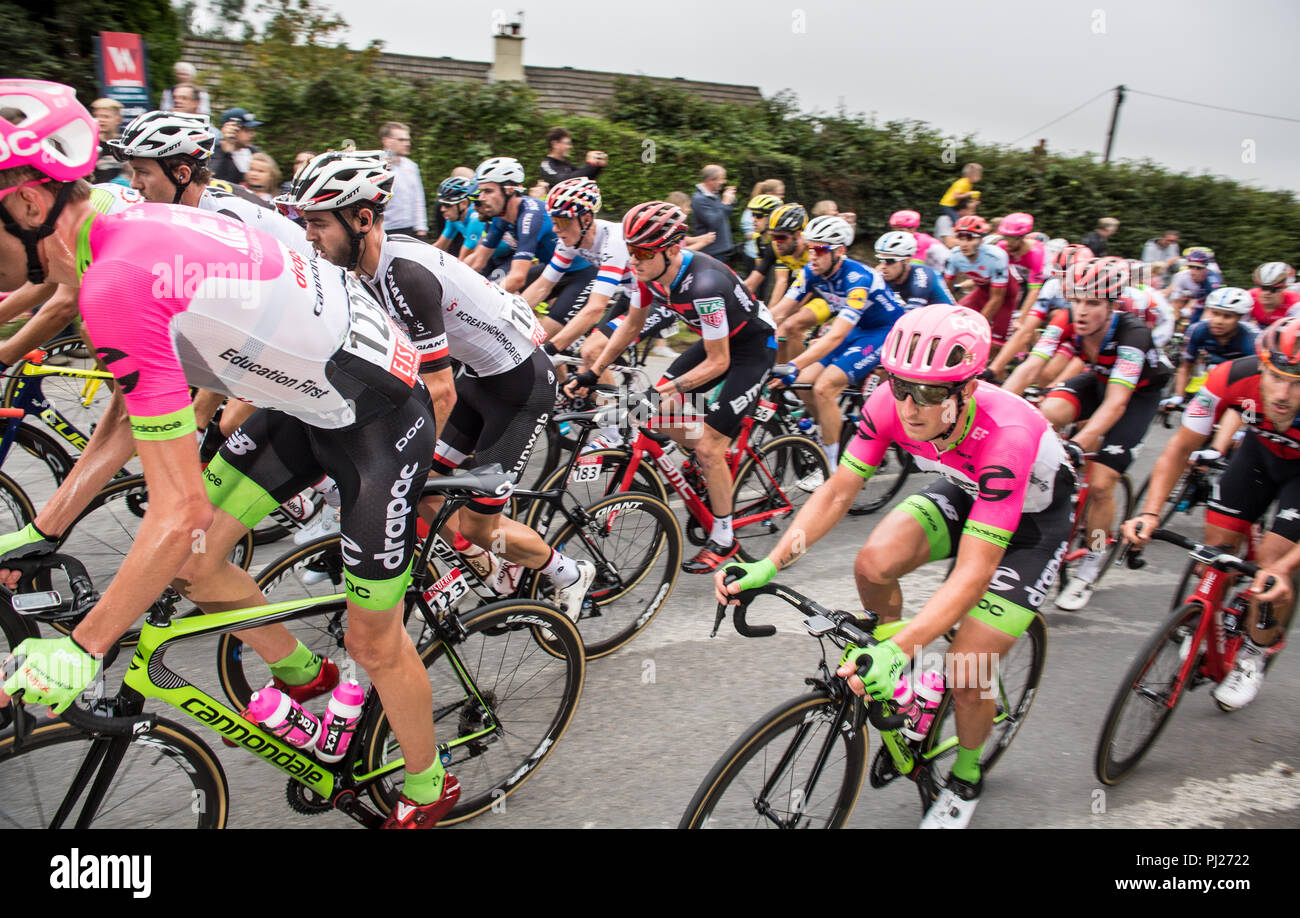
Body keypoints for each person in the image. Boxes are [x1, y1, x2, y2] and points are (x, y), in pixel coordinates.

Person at [0, 80, 454, 828]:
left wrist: (85, 648)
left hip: (381, 417)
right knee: (193, 564)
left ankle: (430, 782)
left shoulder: (116, 276)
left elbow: (175, 510)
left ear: (24, 205)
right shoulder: (105, 223)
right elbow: (127, 416)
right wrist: (47, 528)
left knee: (374, 639)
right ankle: (306, 682)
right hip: (301, 399)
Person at [717, 304, 1074, 829]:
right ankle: (905, 686)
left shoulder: (1007, 435)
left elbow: (974, 572)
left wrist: (899, 646)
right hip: (965, 488)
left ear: (967, 390)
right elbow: (839, 491)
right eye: (899, 385)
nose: (909, 405)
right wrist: (769, 565)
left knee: (969, 665)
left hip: (1032, 523)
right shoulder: (888, 404)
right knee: (873, 563)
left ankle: (968, 775)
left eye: (929, 393)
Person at [277, 151, 596, 620]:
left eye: (319, 222)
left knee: (479, 524)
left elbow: (439, 391)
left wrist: (393, 456)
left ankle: (567, 572)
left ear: (362, 218)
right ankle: (491, 572)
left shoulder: (404, 275)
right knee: (424, 492)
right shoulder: (364, 269)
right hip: (479, 380)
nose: (309, 235)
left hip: (520, 389)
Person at [568, 200, 776, 573]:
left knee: (709, 446)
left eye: (643, 251)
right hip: (716, 343)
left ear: (673, 249)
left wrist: (662, 393)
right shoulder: (650, 276)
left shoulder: (705, 284)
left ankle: (725, 538)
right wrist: (592, 370)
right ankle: (697, 454)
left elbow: (720, 362)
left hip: (751, 351)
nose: (634, 260)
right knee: (646, 411)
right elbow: (630, 327)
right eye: (630, 250)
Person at [1122, 316, 1300, 711]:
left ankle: (1253, 653)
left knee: (1271, 564)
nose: (1285, 393)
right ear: (1262, 365)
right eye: (1277, 377)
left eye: (1298, 383)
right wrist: (1150, 514)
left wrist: (1285, 567)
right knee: (1215, 553)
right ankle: (1211, 621)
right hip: (1260, 455)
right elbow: (1178, 449)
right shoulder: (1229, 376)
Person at [1034, 259, 1172, 610]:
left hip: (1136, 396)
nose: (1081, 310)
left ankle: (1092, 562)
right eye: (1076, 299)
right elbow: (1031, 365)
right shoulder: (1067, 319)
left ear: (1112, 306)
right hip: (1098, 380)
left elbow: (1116, 404)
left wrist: (1080, 445)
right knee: (1044, 415)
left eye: (1093, 303)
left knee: (1101, 485)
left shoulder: (1133, 334)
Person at [768, 217, 906, 484]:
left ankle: (831, 469)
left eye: (820, 250)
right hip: (857, 329)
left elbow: (835, 337)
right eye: (809, 248)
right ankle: (835, 428)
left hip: (883, 332)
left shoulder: (859, 278)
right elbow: (780, 312)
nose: (813, 256)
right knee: (802, 383)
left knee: (824, 388)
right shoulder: (811, 271)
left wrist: (794, 363)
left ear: (839, 251)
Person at [465, 156, 561, 295]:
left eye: (488, 191)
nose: (480, 198)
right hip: (554, 268)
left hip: (577, 272)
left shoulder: (530, 216)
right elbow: (477, 260)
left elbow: (517, 278)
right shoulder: (502, 217)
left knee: (502, 295)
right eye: (481, 192)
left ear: (509, 189)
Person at [1163, 287, 1256, 410]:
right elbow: (1185, 367)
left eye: (1227, 316)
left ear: (1239, 318)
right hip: (1214, 369)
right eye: (1215, 313)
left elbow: (1254, 383)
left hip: (1240, 374)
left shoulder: (1251, 339)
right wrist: (1178, 396)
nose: (1218, 321)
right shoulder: (1198, 330)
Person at [942, 216, 1020, 350]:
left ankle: (1016, 353)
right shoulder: (954, 255)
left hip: (1005, 297)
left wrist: (978, 324)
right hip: (982, 293)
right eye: (961, 238)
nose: (964, 244)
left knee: (995, 346)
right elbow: (945, 290)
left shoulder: (996, 257)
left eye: (970, 238)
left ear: (980, 240)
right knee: (952, 321)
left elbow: (997, 298)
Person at [873, 232, 956, 310]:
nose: (883, 266)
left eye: (889, 261)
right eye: (881, 260)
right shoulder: (884, 275)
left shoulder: (922, 276)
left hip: (946, 317)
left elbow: (909, 314)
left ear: (906, 260)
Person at [379, 122, 427, 240]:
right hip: (385, 229)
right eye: (401, 140)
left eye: (407, 140)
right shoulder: (377, 166)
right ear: (387, 141)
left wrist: (421, 228)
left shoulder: (411, 166)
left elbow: (418, 199)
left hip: (410, 230)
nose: (407, 144)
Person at [691, 164, 736, 265]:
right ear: (710, 180)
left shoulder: (714, 194)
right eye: (721, 179)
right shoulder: (699, 199)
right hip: (712, 251)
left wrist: (731, 199)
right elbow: (714, 223)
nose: (724, 182)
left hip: (721, 249)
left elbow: (724, 215)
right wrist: (725, 203)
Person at [537, 126, 606, 189]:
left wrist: (597, 166)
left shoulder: (565, 164)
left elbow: (584, 178)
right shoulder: (546, 164)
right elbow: (562, 181)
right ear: (555, 144)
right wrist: (590, 164)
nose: (570, 147)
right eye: (567, 143)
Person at [208, 107, 262, 184]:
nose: (252, 135)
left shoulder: (254, 152)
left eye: (252, 130)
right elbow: (214, 180)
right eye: (246, 130)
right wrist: (226, 153)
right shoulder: (213, 152)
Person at [91, 98, 128, 187]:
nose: (100, 120)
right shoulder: (90, 144)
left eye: (106, 116)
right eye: (97, 116)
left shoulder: (125, 144)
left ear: (118, 120)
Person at [1250, 262, 1300, 326]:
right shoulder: (1250, 297)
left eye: (1273, 289)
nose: (1267, 292)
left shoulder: (1295, 303)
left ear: (1283, 288)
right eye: (1263, 288)